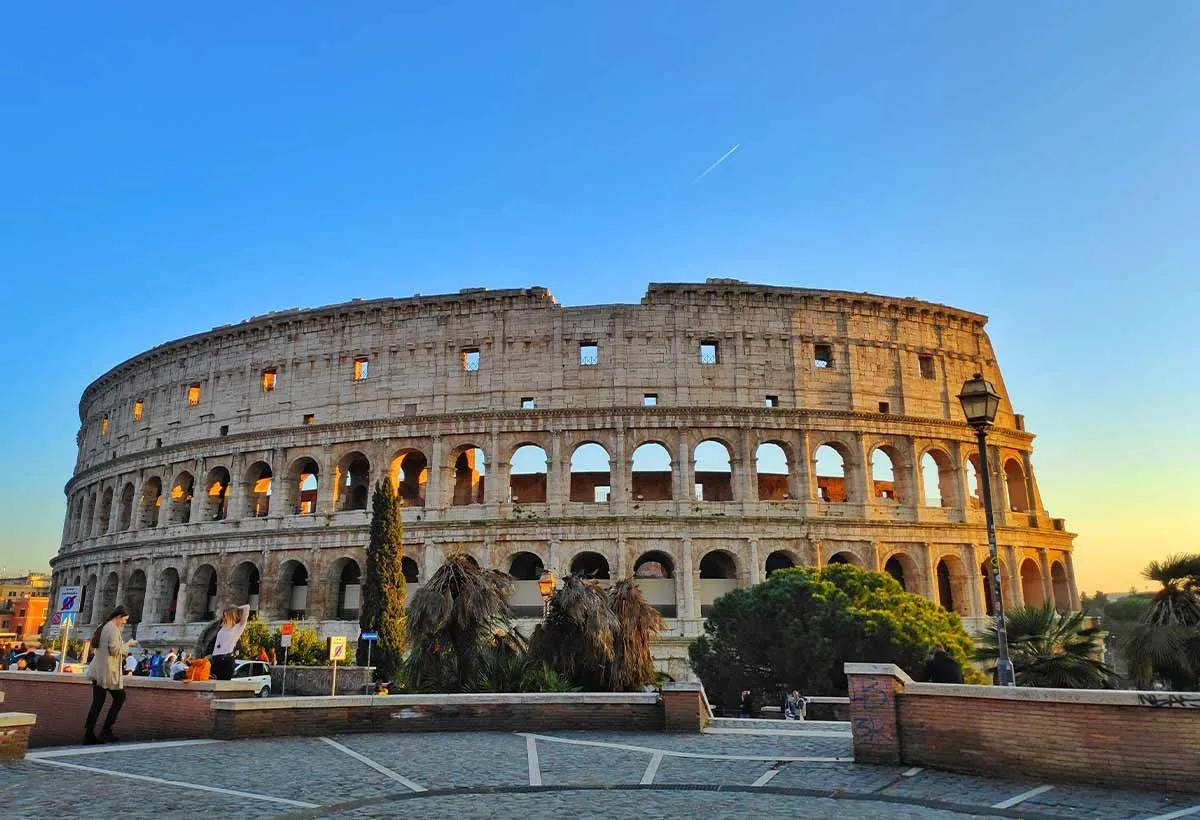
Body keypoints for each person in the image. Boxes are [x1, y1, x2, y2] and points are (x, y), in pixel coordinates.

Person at [84, 606, 132, 744]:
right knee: (120, 698)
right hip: (107, 672)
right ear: (118, 617)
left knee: (97, 703)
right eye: (124, 620)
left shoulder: (104, 625)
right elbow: (115, 650)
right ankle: (105, 730)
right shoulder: (112, 629)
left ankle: (89, 733)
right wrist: (128, 644)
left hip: (98, 671)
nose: (125, 623)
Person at [210, 604, 251, 681]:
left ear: (231, 615)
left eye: (226, 615)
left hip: (226, 661)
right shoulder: (222, 626)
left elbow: (247, 607)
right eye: (224, 615)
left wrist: (234, 609)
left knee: (222, 688)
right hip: (215, 660)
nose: (224, 618)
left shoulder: (238, 628)